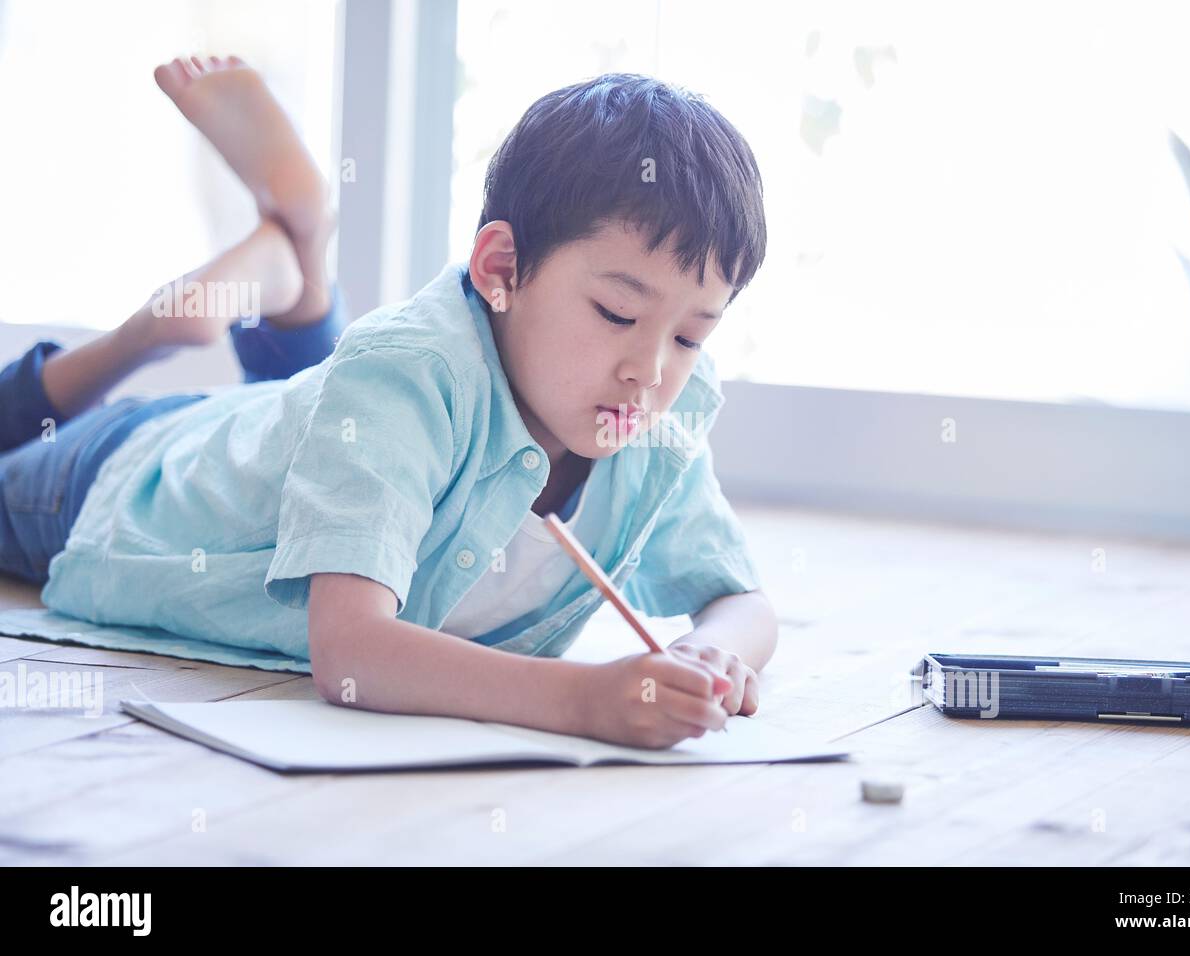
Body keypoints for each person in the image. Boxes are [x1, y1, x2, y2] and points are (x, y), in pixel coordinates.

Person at [0, 57, 776, 749]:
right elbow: (351, 654)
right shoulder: (405, 374)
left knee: (333, 403)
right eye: (616, 314)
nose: (650, 370)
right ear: (501, 267)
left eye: (690, 338)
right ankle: (125, 347)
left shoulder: (653, 418)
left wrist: (712, 655)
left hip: (287, 428)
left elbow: (743, 601)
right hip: (121, 480)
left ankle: (295, 273)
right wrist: (584, 700)